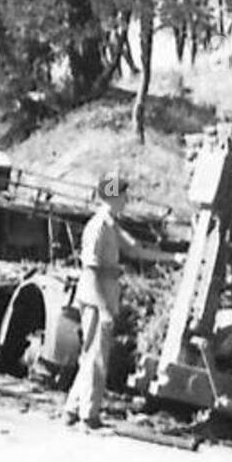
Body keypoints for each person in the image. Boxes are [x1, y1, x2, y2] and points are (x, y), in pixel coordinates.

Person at [63, 171, 172, 429]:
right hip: (95, 296)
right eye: (123, 196)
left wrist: (172, 258)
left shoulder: (111, 224)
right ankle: (88, 416)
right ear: (112, 197)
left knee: (91, 356)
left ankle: (72, 409)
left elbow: (135, 249)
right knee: (97, 358)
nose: (126, 200)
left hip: (103, 293)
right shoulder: (99, 226)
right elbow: (92, 270)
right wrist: (104, 309)